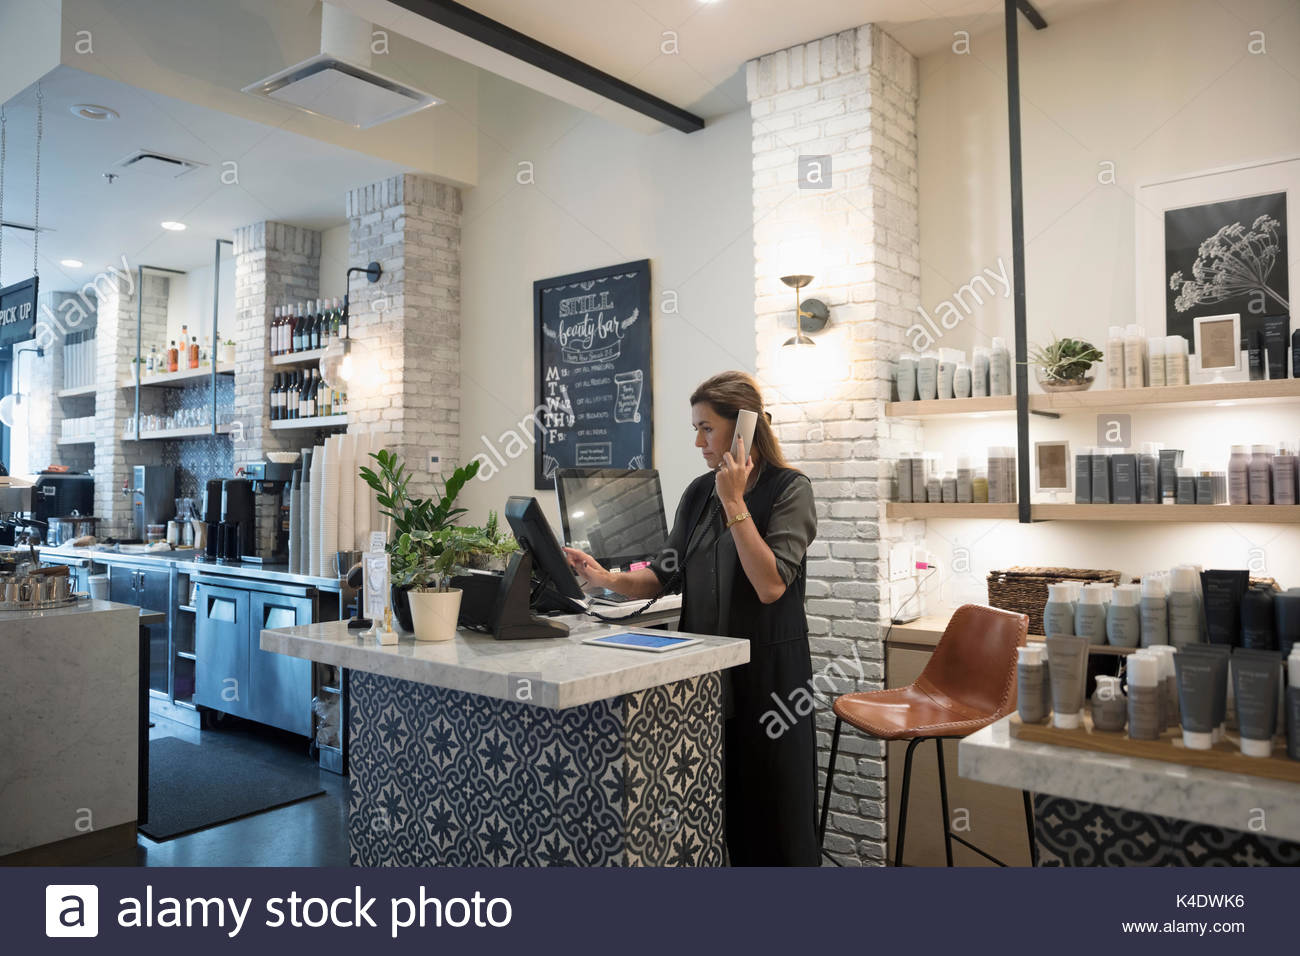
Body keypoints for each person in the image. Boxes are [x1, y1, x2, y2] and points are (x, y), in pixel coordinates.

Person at [563, 370, 819, 866]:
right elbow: (663, 575)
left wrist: (735, 501)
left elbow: (770, 585)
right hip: (703, 676)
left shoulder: (790, 490)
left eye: (707, 428)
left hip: (770, 679)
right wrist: (605, 578)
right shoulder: (699, 493)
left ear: (743, 430)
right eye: (696, 428)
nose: (698, 440)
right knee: (711, 807)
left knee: (775, 812)